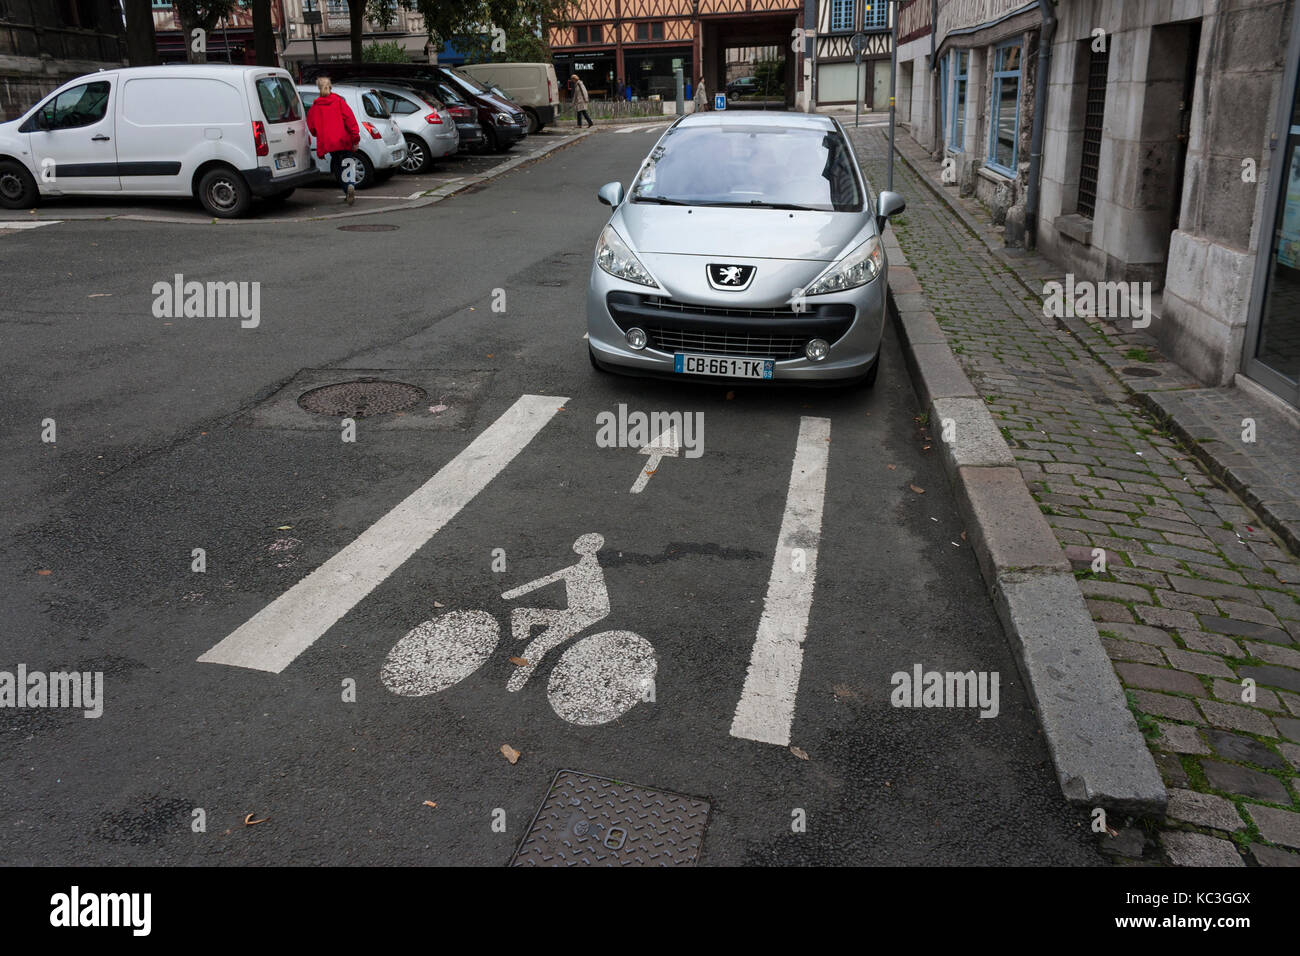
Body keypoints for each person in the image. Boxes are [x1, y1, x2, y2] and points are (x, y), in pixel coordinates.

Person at [305, 75, 361, 205]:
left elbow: (312, 128)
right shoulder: (339, 102)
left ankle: (347, 190)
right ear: (330, 87)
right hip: (344, 140)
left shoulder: (315, 107)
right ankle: (351, 184)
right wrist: (355, 139)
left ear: (319, 88)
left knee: (337, 168)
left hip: (330, 143)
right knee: (347, 164)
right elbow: (350, 121)